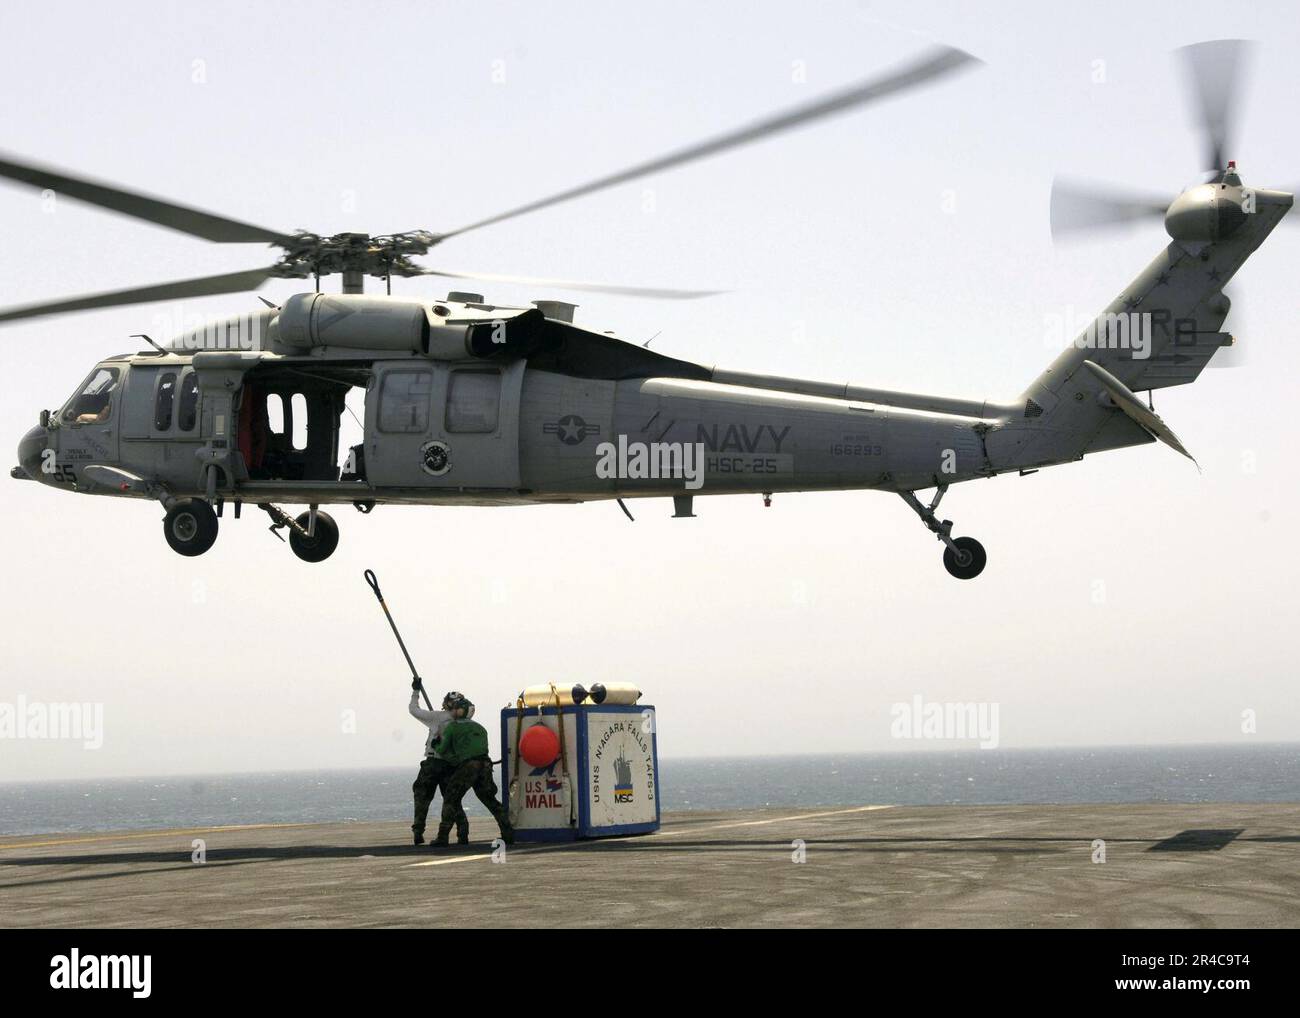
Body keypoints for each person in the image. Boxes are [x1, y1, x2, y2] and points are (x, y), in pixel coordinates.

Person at [431, 693, 514, 848]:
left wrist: (435, 743)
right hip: (485, 765)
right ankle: (508, 833)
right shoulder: (480, 728)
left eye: (452, 709)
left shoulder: (452, 727)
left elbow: (443, 749)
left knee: (450, 798)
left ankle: (443, 837)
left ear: (459, 711)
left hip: (468, 767)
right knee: (490, 800)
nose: (450, 712)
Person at [409, 682, 469, 846]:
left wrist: (415, 691)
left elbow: (414, 710)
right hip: (451, 765)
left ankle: (418, 831)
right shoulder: (466, 724)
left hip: (433, 762)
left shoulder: (437, 717)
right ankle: (463, 833)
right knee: (452, 800)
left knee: (422, 796)